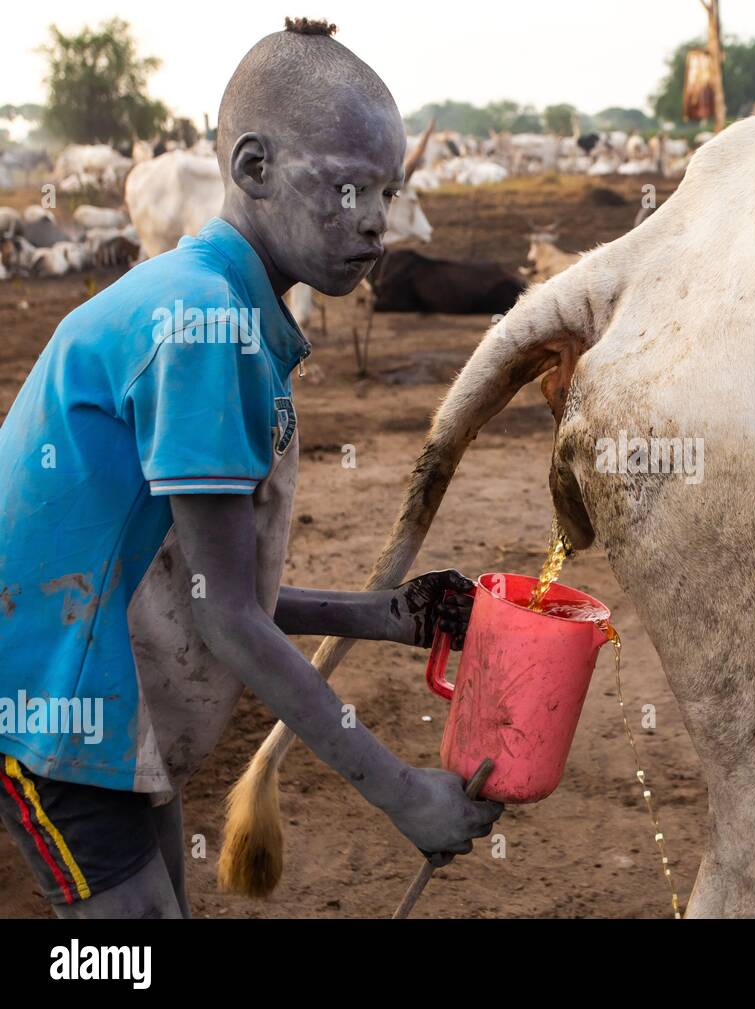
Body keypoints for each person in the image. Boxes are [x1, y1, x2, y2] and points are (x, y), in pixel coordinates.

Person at [0, 18, 502, 918]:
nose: (375, 222)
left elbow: (203, 583)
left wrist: (388, 616)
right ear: (253, 167)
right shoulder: (205, 326)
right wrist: (403, 792)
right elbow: (227, 616)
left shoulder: (216, 305)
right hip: (42, 700)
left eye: (385, 191)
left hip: (95, 685)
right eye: (346, 186)